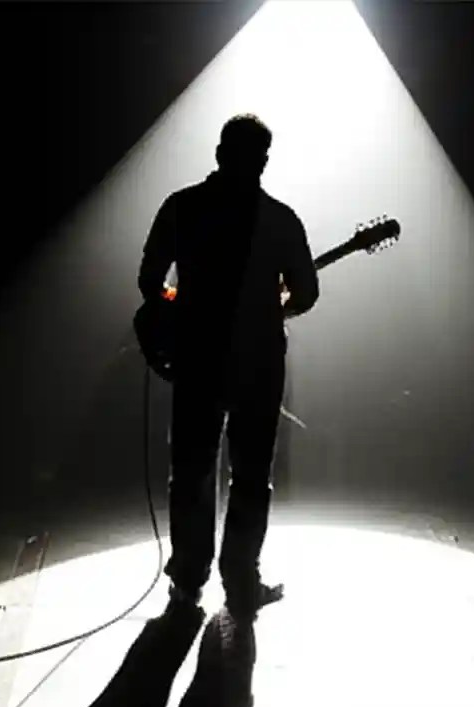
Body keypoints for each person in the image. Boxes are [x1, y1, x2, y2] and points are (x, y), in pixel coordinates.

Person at [138, 114, 319, 621]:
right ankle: (241, 580)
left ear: (219, 153)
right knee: (251, 474)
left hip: (197, 359)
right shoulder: (281, 220)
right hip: (259, 363)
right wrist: (272, 304)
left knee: (192, 472)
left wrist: (176, 305)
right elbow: (306, 293)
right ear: (262, 160)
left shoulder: (182, 208)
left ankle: (187, 584)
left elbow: (150, 279)